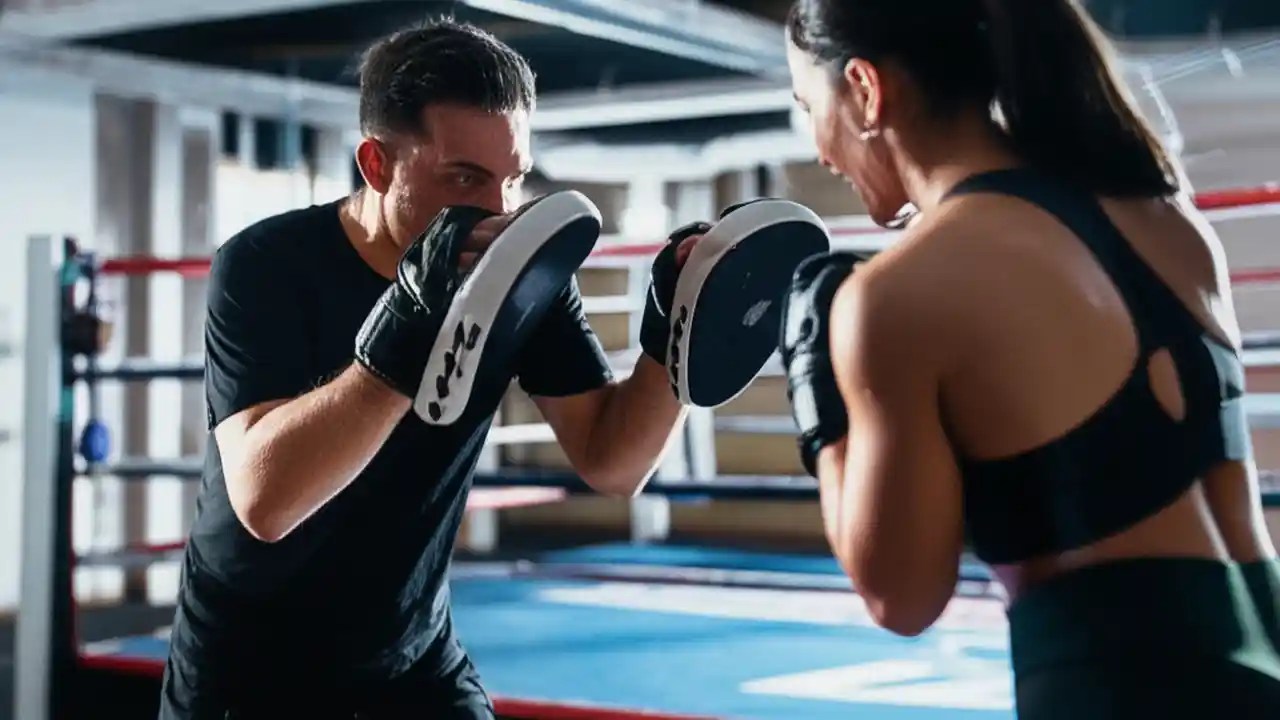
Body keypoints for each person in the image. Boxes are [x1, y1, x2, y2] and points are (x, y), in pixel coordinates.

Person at [159, 19, 708, 719]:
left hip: (412, 654)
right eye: (464, 178)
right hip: (251, 665)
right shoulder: (266, 265)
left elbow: (614, 461)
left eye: (513, 179)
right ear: (376, 164)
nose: (498, 210)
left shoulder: (524, 274)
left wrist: (676, 337)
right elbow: (266, 503)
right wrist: (407, 333)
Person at [779, 0, 1280, 717]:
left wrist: (820, 402)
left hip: (1118, 697)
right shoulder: (1169, 222)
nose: (821, 153)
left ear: (864, 89)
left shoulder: (902, 293)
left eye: (808, 106)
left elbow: (900, 597)